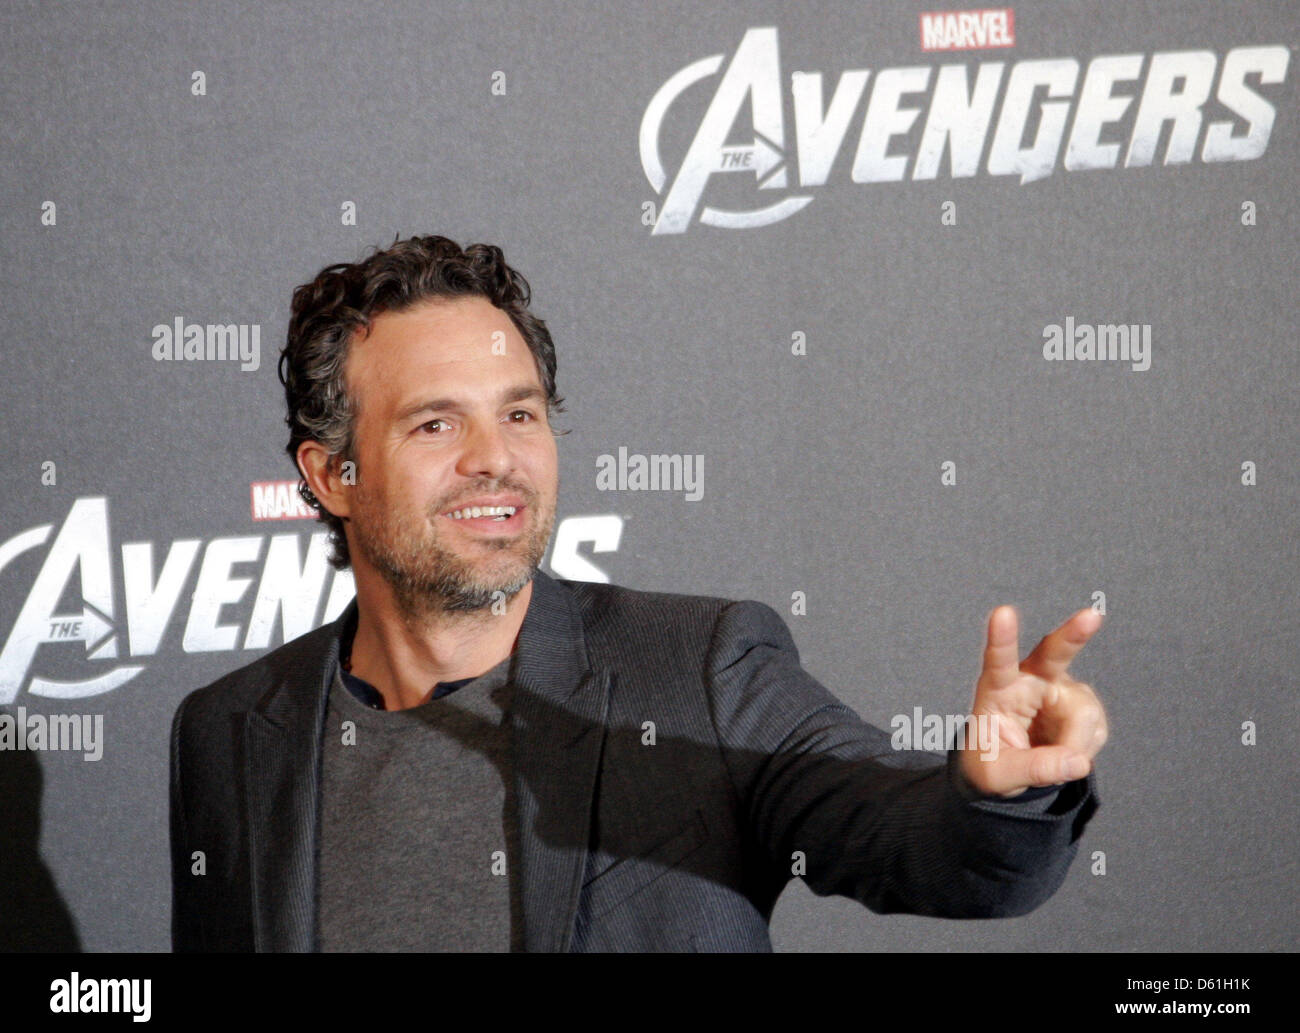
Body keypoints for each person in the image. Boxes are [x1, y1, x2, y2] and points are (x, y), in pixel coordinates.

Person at [169, 234, 1106, 953]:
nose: (496, 458)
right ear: (333, 474)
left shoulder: (698, 669)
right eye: (436, 422)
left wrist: (994, 796)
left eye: (521, 413)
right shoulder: (232, 730)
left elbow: (911, 839)